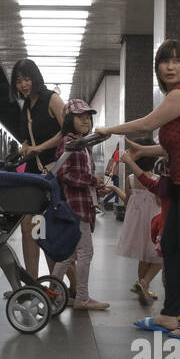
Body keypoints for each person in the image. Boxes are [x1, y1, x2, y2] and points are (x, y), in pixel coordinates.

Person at [95, 39, 180, 340]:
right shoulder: (178, 97)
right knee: (171, 246)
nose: (170, 66)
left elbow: (148, 122)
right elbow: (174, 142)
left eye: (177, 61)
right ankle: (169, 315)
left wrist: (109, 129)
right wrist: (144, 150)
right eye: (165, 61)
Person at [50, 100, 109, 310]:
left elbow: (80, 176)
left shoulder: (83, 144)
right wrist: (92, 181)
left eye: (88, 116)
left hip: (82, 204)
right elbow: (64, 174)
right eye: (80, 116)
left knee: (69, 254)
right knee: (85, 252)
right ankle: (82, 298)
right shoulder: (69, 142)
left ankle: (52, 293)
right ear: (68, 120)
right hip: (75, 207)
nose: (86, 120)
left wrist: (96, 188)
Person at [10, 59, 66, 281]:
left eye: (27, 78)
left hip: (54, 170)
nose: (23, 84)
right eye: (18, 81)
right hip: (35, 171)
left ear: (36, 77)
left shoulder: (52, 99)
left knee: (46, 227)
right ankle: (33, 281)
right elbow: (28, 137)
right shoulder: (26, 107)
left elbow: (68, 131)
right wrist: (25, 146)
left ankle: (55, 283)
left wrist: (39, 147)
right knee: (29, 227)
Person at [109, 152, 163, 308]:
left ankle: (144, 288)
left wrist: (114, 188)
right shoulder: (156, 180)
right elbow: (160, 202)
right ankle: (144, 283)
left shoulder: (131, 179)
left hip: (136, 223)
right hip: (153, 221)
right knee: (160, 257)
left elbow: (127, 200)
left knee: (143, 256)